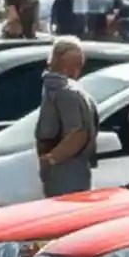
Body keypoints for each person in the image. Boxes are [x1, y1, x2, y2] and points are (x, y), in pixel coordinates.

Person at [35, 37, 99, 197]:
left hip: (67, 172)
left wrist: (51, 159)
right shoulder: (60, 90)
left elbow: (78, 134)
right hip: (67, 171)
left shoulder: (65, 93)